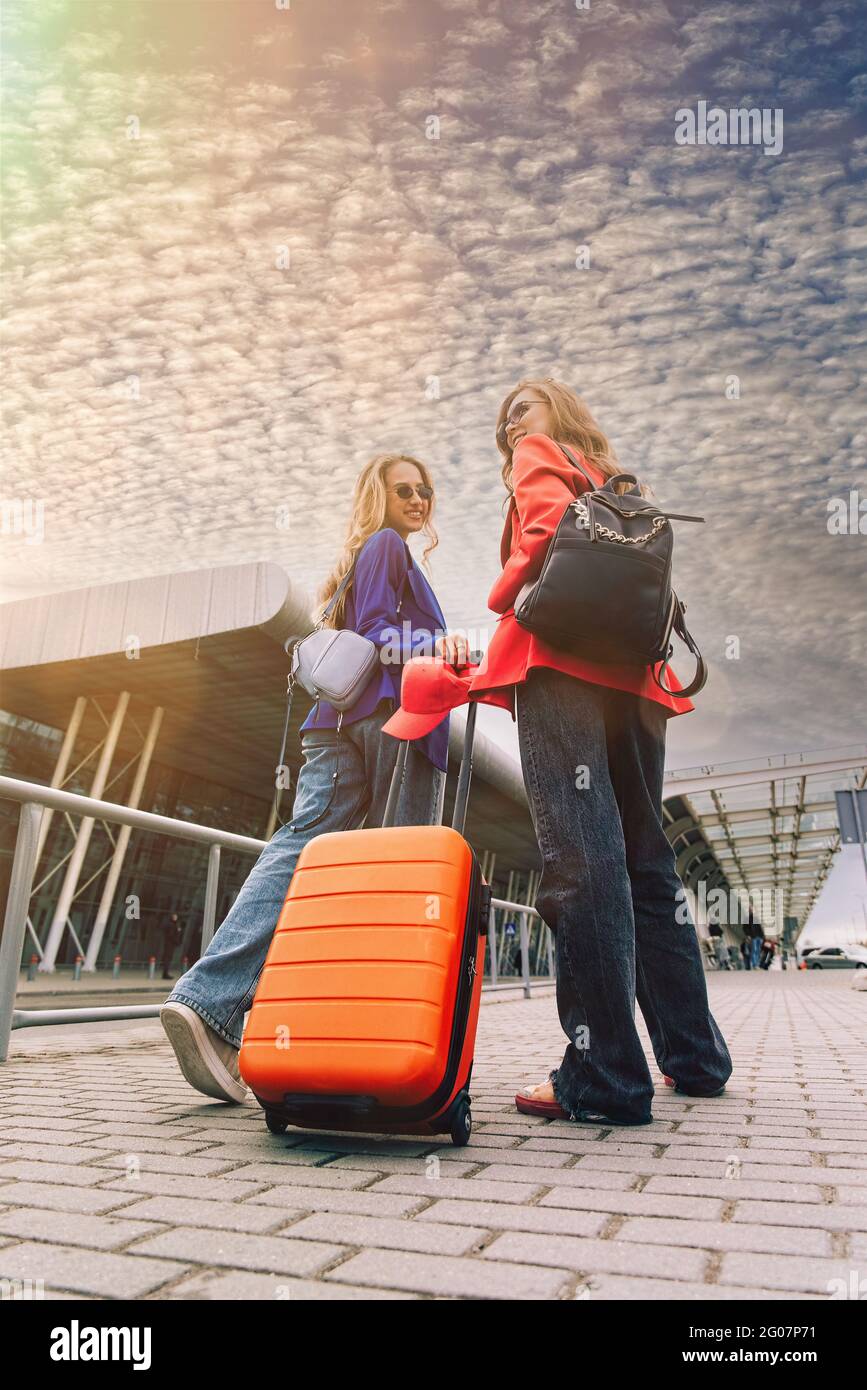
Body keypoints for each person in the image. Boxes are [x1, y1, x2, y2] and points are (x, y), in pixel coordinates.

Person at [465, 378, 732, 1125]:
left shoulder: (536, 454)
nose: (511, 421)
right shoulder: (619, 482)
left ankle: (604, 1075)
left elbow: (543, 535)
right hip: (637, 684)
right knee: (647, 865)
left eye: (524, 402)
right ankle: (695, 1059)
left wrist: (502, 597)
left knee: (581, 860)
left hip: (558, 667)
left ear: (555, 411)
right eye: (505, 417)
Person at [160, 452, 467, 1102]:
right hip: (393, 717)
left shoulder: (365, 556)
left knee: (300, 848)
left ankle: (211, 1002)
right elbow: (380, 634)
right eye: (403, 489)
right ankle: (377, 1042)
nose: (418, 500)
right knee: (395, 870)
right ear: (378, 498)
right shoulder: (387, 546)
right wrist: (434, 646)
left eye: (425, 491)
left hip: (333, 722)